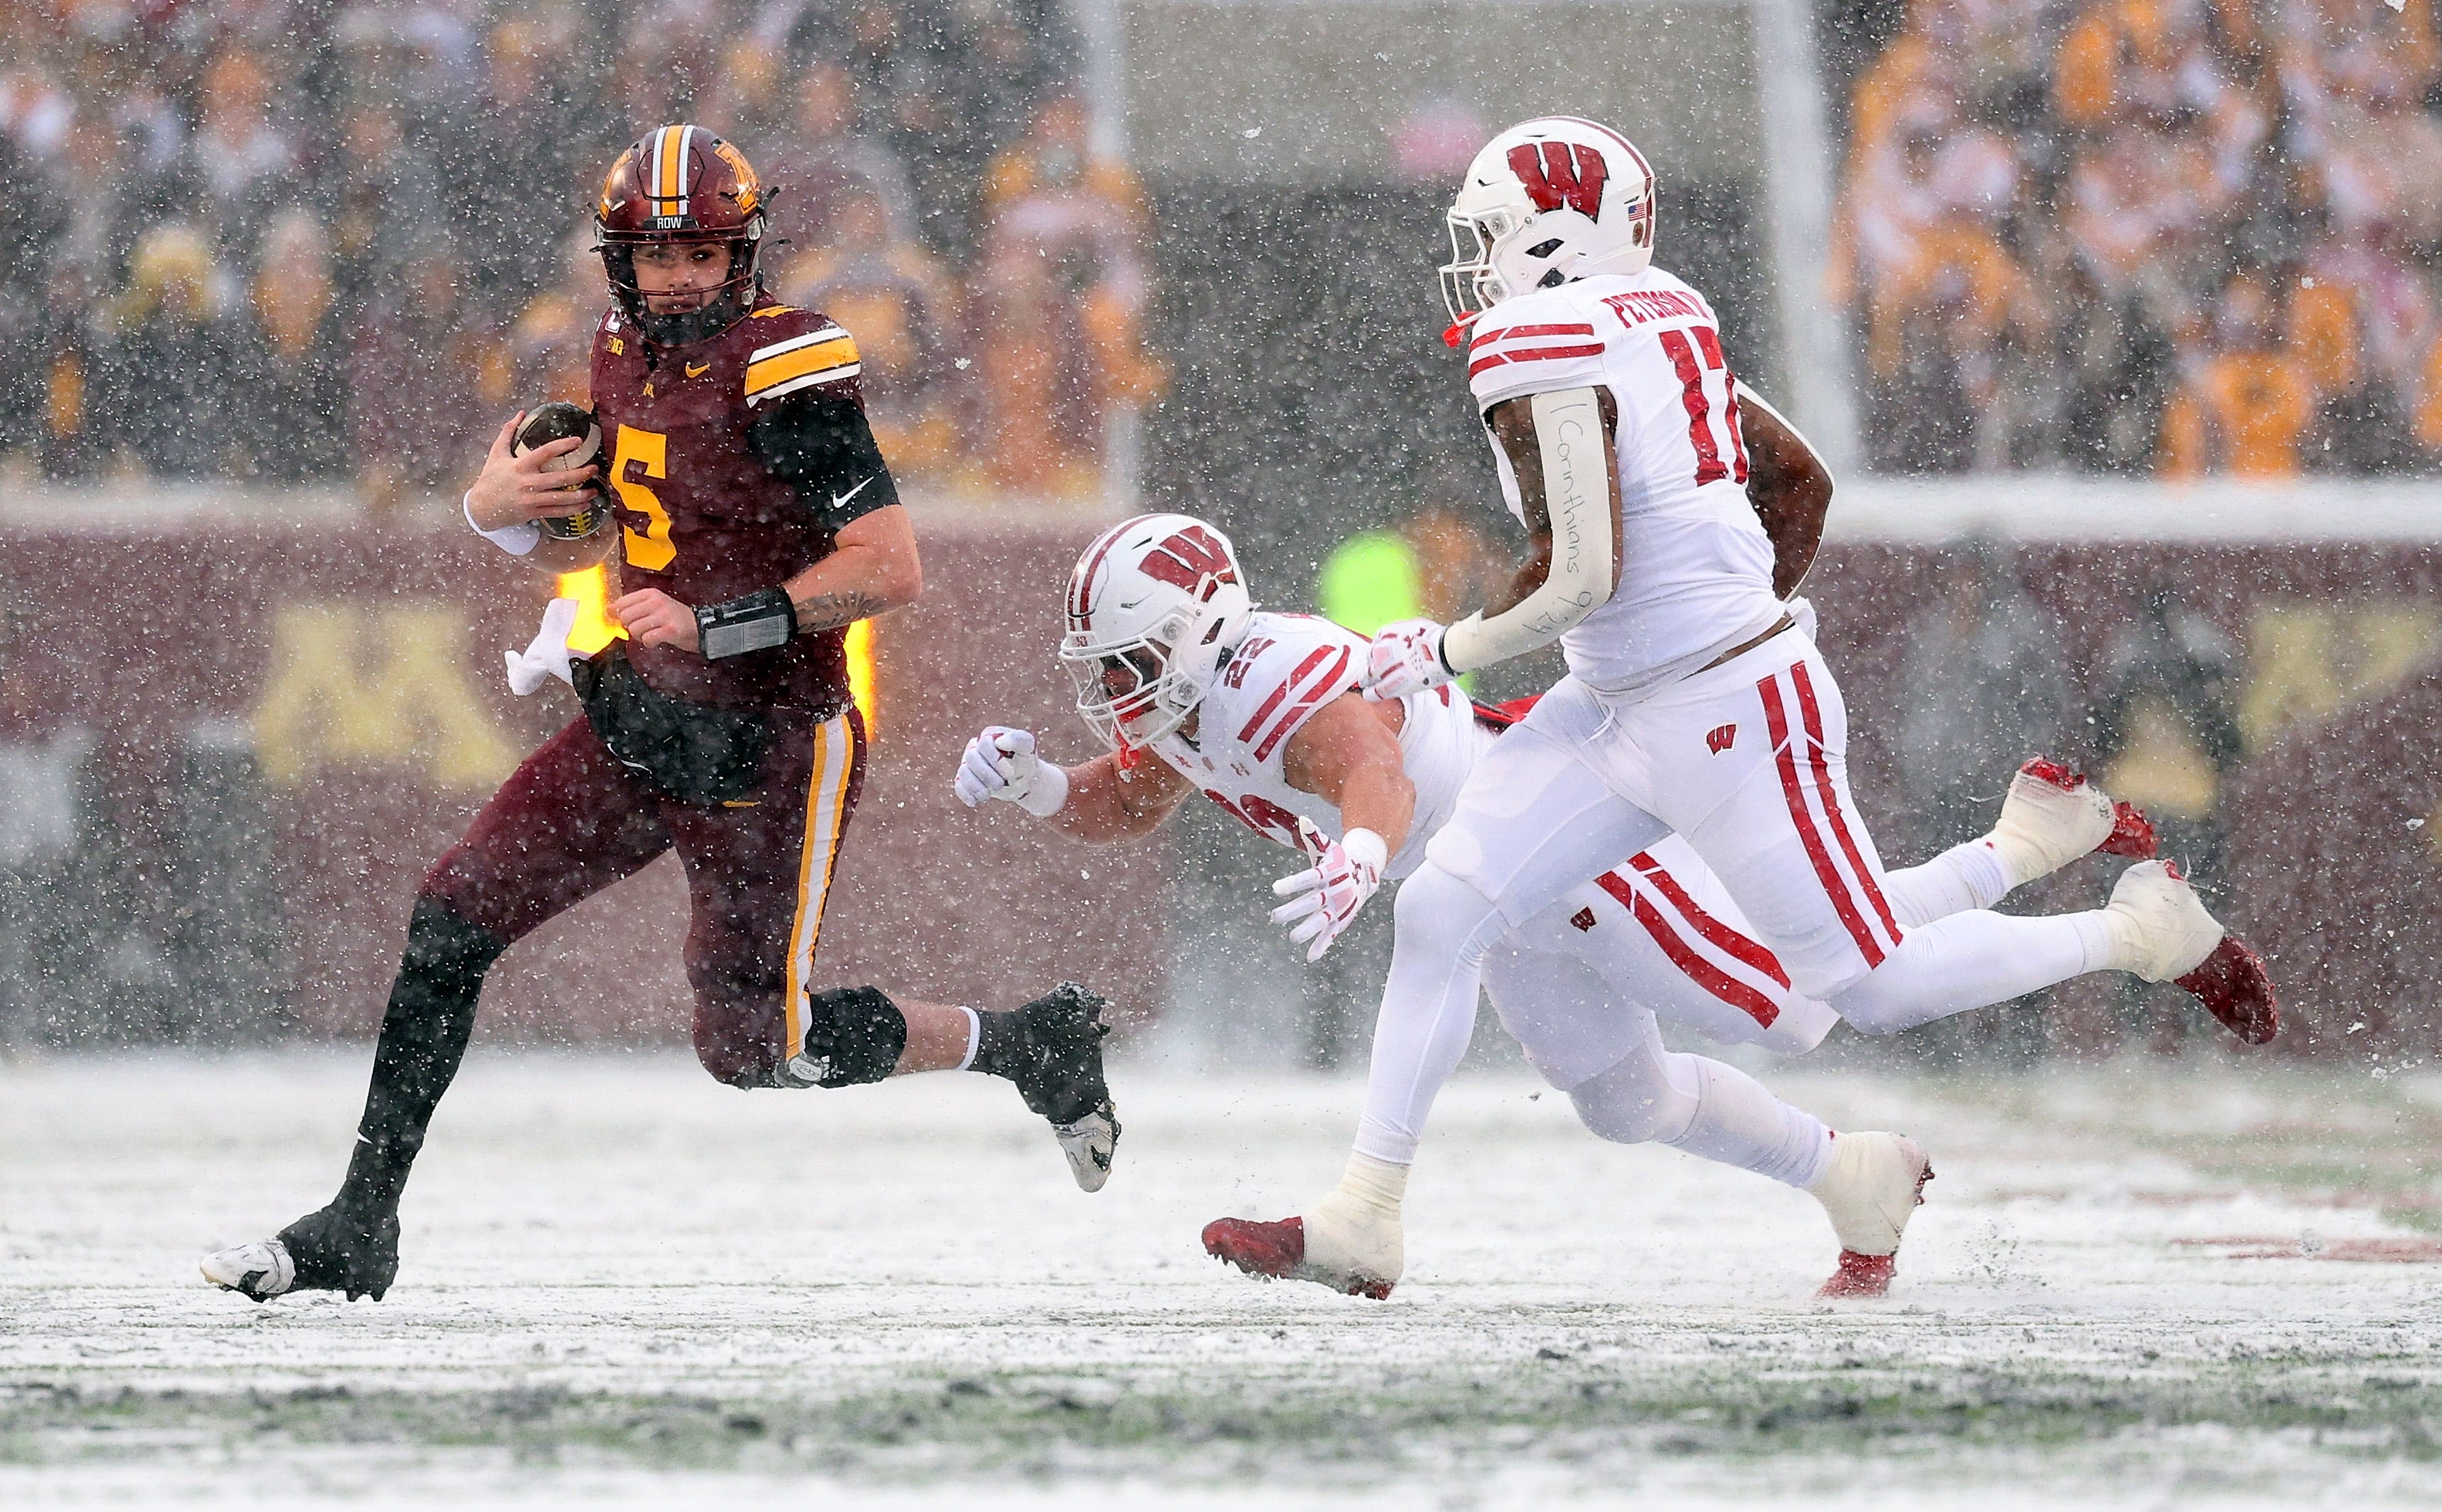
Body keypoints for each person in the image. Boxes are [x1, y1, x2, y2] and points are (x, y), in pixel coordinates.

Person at [1193, 118, 2279, 1298]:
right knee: (1447, 901)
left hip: (1725, 708)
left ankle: (2135, 932)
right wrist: (1700, 605)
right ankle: (1367, 1212)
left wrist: (1452, 648)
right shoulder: (1666, 309)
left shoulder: (1543, 337)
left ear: (1559, 241)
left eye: (1498, 233)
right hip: (1616, 704)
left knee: (1863, 983)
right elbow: (1796, 477)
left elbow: (1582, 576)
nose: (1480, 257)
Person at [201, 124, 1119, 1306]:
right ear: (618, 258)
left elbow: (889, 565)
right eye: (654, 252)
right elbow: (627, 533)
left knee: (761, 1051)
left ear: (741, 252)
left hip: (773, 743)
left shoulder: (786, 360)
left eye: (700, 252)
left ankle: (1029, 1043)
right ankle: (361, 1218)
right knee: (450, 920)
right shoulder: (616, 349)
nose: (679, 275)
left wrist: (719, 624)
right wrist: (499, 515)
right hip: (644, 723)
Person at [955, 514, 2162, 1297]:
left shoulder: (1267, 670)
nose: (1112, 692)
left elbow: (1363, 760)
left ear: (1202, 629)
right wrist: (1044, 787)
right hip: (1495, 892)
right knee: (1626, 1101)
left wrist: (1365, 850)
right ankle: (1847, 1172)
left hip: (1556, 857)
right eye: (1101, 671)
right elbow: (1132, 796)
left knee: (1802, 1000)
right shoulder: (1190, 699)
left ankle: (2059, 885)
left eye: (1125, 662)